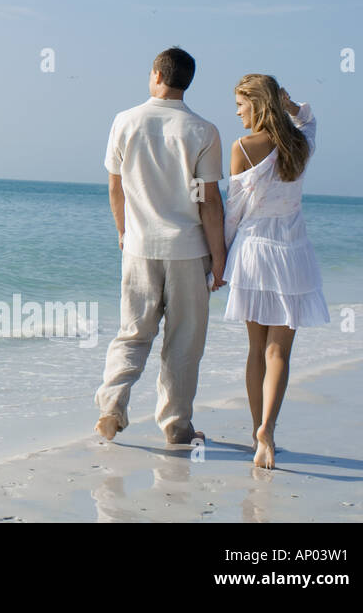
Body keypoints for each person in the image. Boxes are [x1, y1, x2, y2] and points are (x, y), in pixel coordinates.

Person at [95, 47, 227, 444]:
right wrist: (219, 258)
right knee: (183, 341)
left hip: (138, 246)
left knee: (132, 333)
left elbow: (115, 186)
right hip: (188, 249)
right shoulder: (203, 130)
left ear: (156, 75)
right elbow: (210, 202)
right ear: (188, 81)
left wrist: (122, 231)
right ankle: (175, 425)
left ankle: (112, 408)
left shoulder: (125, 121)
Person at [223, 75, 328, 469]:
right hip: (293, 253)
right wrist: (291, 106)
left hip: (254, 252)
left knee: (256, 349)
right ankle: (269, 428)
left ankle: (256, 434)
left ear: (256, 104)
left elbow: (234, 210)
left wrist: (219, 259)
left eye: (240, 104)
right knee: (278, 351)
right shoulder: (299, 145)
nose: (237, 112)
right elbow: (310, 120)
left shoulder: (243, 148)